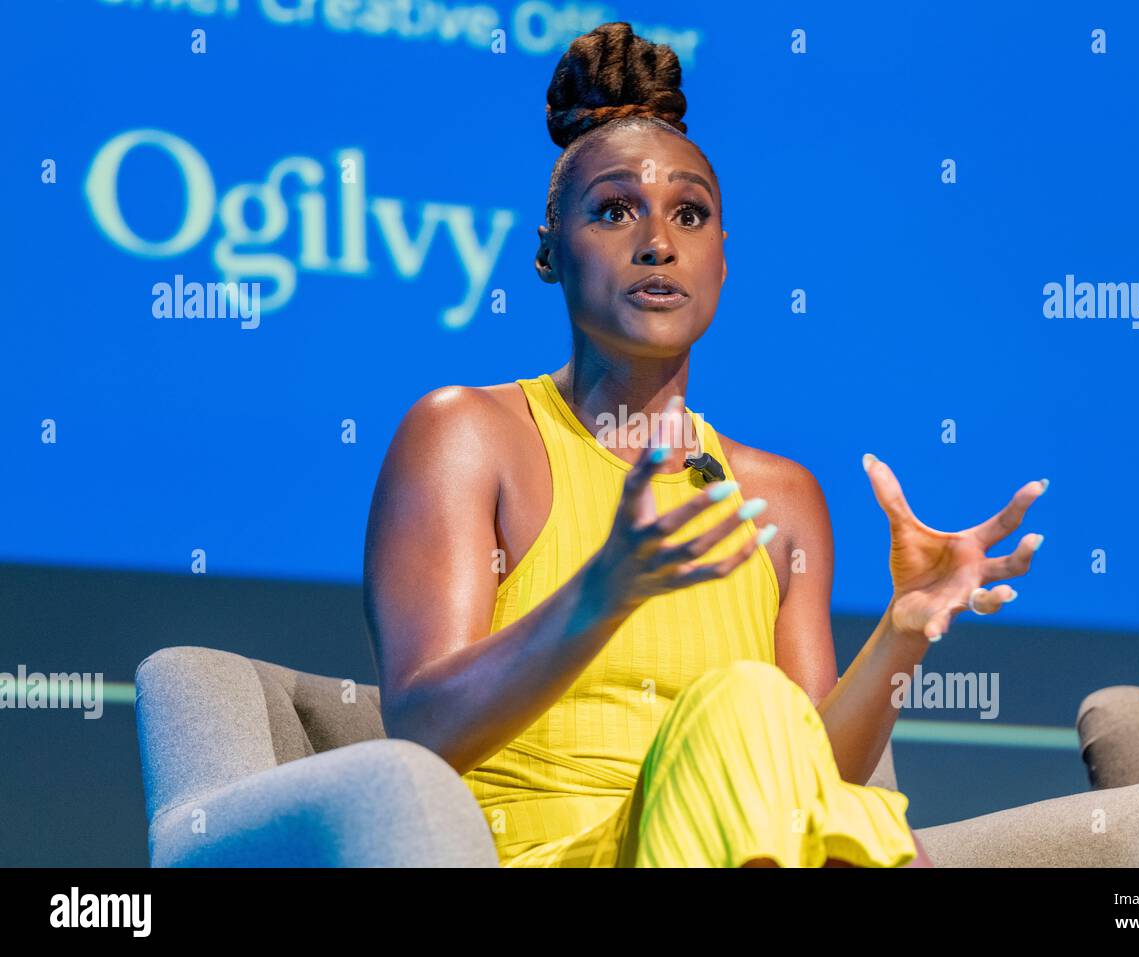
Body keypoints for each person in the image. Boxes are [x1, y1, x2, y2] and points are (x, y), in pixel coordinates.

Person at [361, 22, 1044, 867]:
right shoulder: (468, 434)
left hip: (727, 850)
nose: (658, 241)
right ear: (548, 252)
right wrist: (602, 592)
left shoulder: (783, 497)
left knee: (773, 735)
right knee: (751, 702)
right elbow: (420, 736)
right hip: (537, 851)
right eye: (614, 211)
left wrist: (904, 629)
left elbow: (810, 783)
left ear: (722, 261)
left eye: (690, 214)